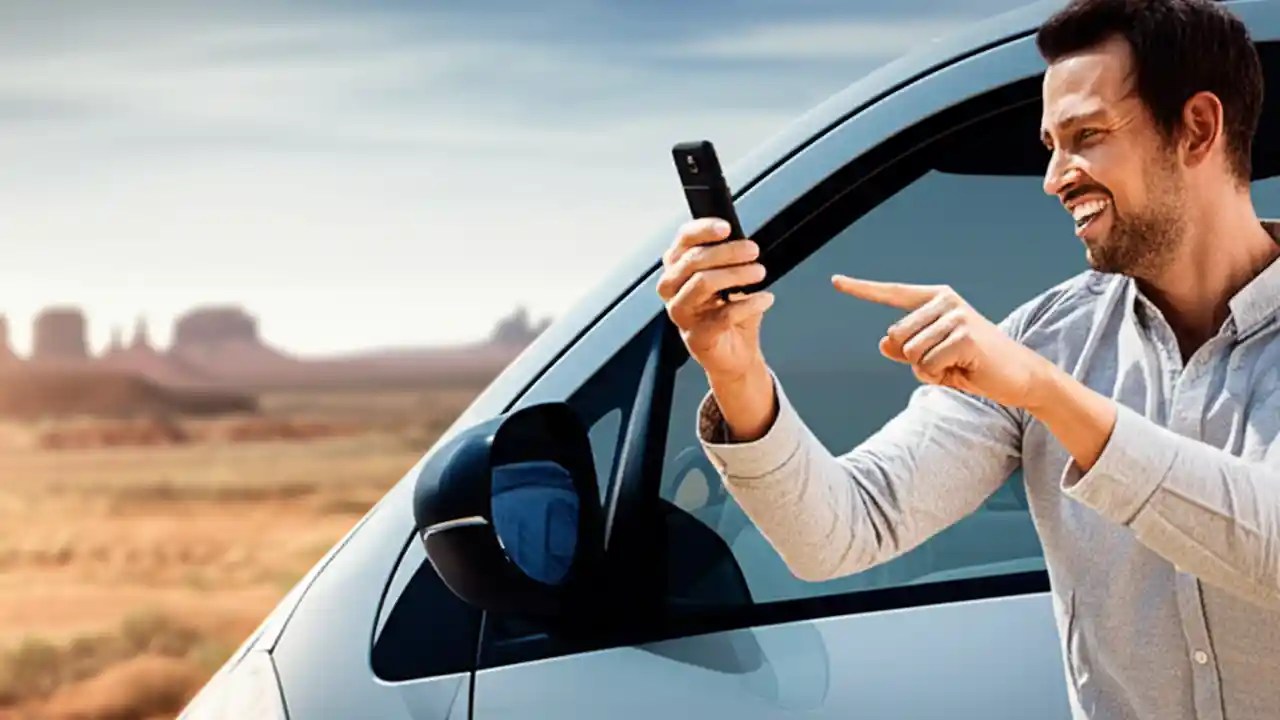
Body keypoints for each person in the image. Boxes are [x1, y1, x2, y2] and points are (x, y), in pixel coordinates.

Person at [657, 0, 1280, 717]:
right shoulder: (1045, 340)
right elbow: (841, 530)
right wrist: (736, 372)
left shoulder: (1034, 369)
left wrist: (1048, 395)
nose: (1055, 177)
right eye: (1050, 144)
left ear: (1197, 128)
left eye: (1086, 136)